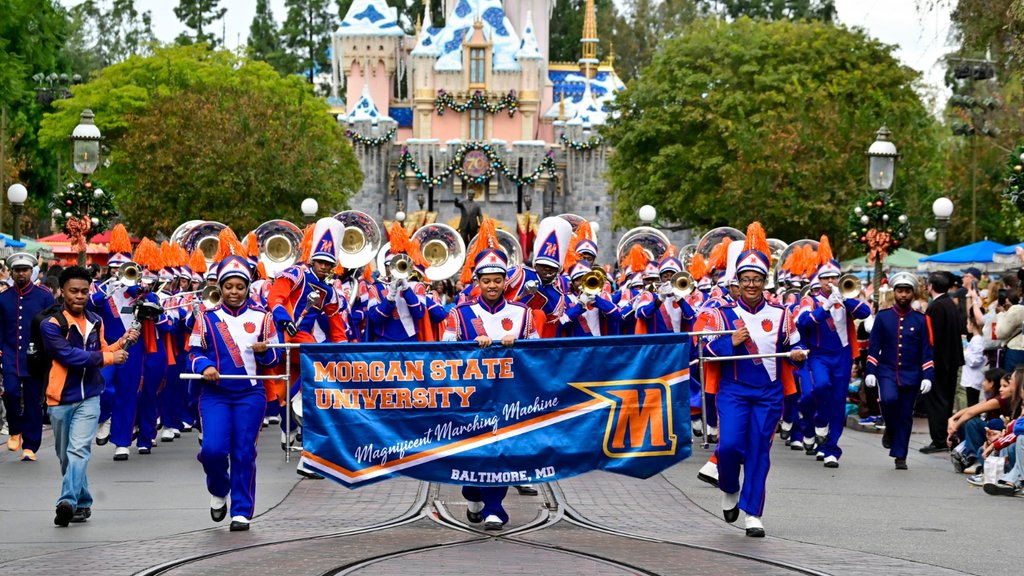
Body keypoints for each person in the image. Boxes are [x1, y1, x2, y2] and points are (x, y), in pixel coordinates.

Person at [700, 223, 805, 537]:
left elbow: (794, 343)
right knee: (730, 446)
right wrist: (729, 342)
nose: (751, 284)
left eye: (756, 280)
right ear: (737, 281)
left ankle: (753, 513)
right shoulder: (721, 313)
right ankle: (729, 488)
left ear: (764, 283)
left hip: (769, 392)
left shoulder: (782, 312)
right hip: (733, 390)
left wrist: (798, 353)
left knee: (759, 450)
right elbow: (703, 349)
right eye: (745, 279)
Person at [442, 247, 539, 530]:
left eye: (498, 280)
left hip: (511, 396)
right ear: (478, 282)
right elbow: (444, 354)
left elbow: (540, 355)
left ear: (505, 281)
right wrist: (472, 347)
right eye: (487, 280)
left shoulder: (523, 314)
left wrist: (518, 345)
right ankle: (473, 495)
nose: (492, 285)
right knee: (472, 454)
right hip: (472, 398)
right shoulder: (460, 314)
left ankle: (495, 508)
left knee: (503, 452)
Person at [188, 254, 281, 532]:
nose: (234, 291)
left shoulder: (263, 318)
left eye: (239, 286)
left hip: (250, 394)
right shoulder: (206, 318)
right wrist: (204, 366)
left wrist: (265, 353)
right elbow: (193, 352)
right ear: (221, 287)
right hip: (215, 393)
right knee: (213, 450)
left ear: (247, 287)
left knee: (243, 452)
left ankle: (241, 510)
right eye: (229, 286)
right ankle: (219, 489)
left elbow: (275, 357)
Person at [43, 266, 137, 526]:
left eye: (85, 291)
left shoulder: (97, 320)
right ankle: (83, 500)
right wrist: (110, 356)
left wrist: (122, 341)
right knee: (66, 456)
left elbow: (103, 348)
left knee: (79, 450)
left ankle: (67, 502)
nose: (80, 296)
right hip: (59, 398)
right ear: (62, 292)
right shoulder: (50, 325)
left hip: (89, 397)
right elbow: (71, 356)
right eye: (73, 291)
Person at [795, 236, 871, 467]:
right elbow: (803, 322)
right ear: (819, 280)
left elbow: (865, 313)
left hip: (843, 354)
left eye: (835, 277)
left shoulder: (846, 297)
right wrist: (825, 308)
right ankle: (819, 422)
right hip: (819, 354)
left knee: (838, 400)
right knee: (820, 387)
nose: (831, 281)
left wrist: (845, 301)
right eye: (827, 278)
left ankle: (831, 449)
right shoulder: (810, 300)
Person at [864, 272, 934, 470]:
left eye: (907, 291)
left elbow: (926, 351)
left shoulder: (921, 320)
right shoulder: (884, 317)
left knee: (905, 414)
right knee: (887, 400)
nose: (903, 295)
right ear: (894, 293)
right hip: (886, 370)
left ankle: (900, 455)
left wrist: (928, 375)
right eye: (900, 291)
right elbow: (874, 346)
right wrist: (870, 370)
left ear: (913, 294)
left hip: (912, 373)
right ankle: (890, 429)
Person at [0, 253, 55, 461]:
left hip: (36, 357)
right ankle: (15, 430)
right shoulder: (4, 297)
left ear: (32, 272)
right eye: (17, 270)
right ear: (12, 272)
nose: (20, 273)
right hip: (10, 355)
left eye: (24, 270)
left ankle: (30, 446)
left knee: (33, 402)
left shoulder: (44, 296)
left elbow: (53, 325)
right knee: (11, 393)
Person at [922, 272, 966, 453]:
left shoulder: (938, 306)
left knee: (937, 400)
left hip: (940, 361)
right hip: (950, 360)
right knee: (945, 399)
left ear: (931, 286)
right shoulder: (949, 303)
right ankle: (946, 436)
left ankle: (939, 438)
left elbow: (934, 337)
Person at [949, 368, 1016, 474]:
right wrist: (952, 419)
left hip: (1000, 433)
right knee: (965, 421)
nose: (982, 383)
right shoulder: (995, 397)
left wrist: (954, 428)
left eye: (985, 380)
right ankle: (965, 453)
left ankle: (974, 458)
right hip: (996, 433)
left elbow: (971, 413)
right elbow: (970, 409)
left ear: (991, 383)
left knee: (973, 422)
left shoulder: (1000, 400)